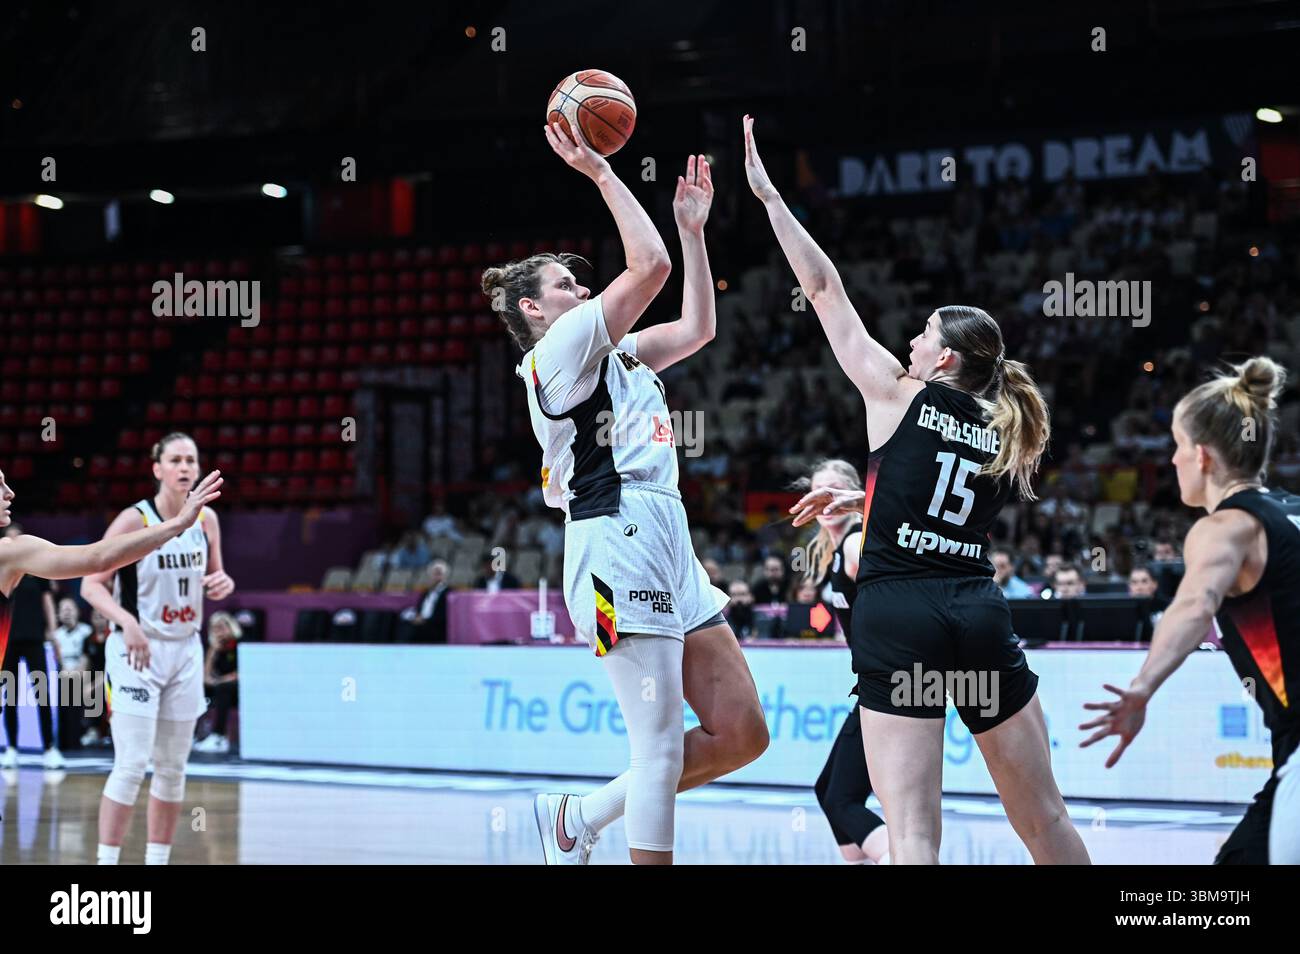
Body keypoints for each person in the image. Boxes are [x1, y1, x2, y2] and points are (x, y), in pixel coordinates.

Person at [745, 114, 1088, 865]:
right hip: (973, 607)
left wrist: (772, 200)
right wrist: (866, 501)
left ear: (946, 359)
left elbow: (824, 289)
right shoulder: (1005, 428)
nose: (910, 338)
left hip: (898, 611)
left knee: (914, 837)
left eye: (925, 331)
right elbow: (927, 491)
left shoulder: (897, 395)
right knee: (1048, 822)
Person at [484, 133, 766, 864]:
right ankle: (590, 826)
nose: (581, 292)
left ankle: (578, 816)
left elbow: (700, 326)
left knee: (741, 731)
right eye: (566, 287)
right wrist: (602, 171)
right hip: (613, 542)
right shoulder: (557, 352)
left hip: (665, 535)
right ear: (533, 309)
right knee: (658, 747)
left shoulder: (620, 352)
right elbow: (649, 267)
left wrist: (695, 234)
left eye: (581, 287)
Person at [1081, 358, 1299, 864]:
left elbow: (1195, 602)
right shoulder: (1290, 511)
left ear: (1200, 456)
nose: (1173, 460)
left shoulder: (1227, 526)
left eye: (1177, 447)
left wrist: (1141, 688)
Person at [80, 433, 236, 866]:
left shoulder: (207, 520)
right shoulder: (134, 521)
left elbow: (217, 577)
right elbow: (91, 583)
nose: (186, 467)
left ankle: (156, 861)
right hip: (137, 652)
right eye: (176, 460)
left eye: (192, 459)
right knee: (131, 765)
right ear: (157, 468)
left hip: (185, 648)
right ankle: (107, 864)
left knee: (172, 769)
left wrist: (224, 583)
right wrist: (126, 622)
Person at [0, 467, 222, 769]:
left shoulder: (10, 554)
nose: (10, 492)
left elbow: (97, 558)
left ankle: (48, 746)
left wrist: (177, 524)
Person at [790, 459, 889, 864]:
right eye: (816, 490)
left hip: (887, 684)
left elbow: (892, 583)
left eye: (832, 490)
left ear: (850, 493)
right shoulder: (834, 550)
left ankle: (898, 858)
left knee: (841, 798)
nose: (824, 500)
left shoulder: (853, 542)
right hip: (876, 683)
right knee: (829, 791)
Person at [0, 523, 60, 768]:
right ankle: (12, 749)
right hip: (8, 640)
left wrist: (53, 633)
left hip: (35, 637)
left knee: (42, 694)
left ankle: (49, 749)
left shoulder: (36, 571)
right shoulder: (2, 570)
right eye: (9, 539)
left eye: (18, 539)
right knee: (9, 696)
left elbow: (47, 601)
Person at [51, 597, 94, 752]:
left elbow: (88, 660)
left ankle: (78, 736)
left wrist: (76, 674)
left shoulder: (87, 631)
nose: (67, 613)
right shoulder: (55, 636)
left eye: (70, 609)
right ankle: (64, 739)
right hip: (61, 675)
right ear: (57, 614)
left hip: (83, 675)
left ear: (78, 612)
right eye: (63, 609)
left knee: (74, 686)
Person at [195, 611, 240, 754]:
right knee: (196, 688)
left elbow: (242, 672)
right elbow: (206, 676)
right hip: (220, 686)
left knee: (223, 688)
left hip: (239, 689)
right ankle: (194, 734)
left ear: (230, 627)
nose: (218, 631)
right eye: (214, 628)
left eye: (221, 627)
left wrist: (219, 681)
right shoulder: (215, 647)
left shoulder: (239, 643)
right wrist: (213, 650)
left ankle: (219, 736)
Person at [402, 559, 450, 643]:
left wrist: (424, 620)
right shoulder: (426, 592)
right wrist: (415, 617)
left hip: (436, 626)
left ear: (445, 576)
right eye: (434, 574)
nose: (436, 577)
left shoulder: (449, 593)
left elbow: (445, 615)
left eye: (439, 574)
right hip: (422, 624)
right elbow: (420, 609)